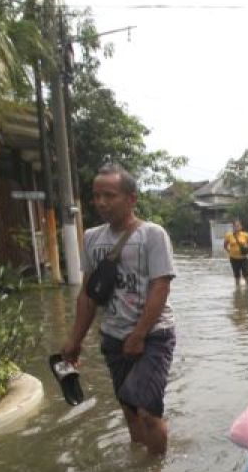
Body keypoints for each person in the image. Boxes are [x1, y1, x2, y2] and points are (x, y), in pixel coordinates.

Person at [61, 164, 176, 455]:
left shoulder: (153, 235)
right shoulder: (91, 238)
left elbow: (160, 287)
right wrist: (74, 340)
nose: (101, 203)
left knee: (148, 411)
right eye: (97, 196)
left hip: (153, 335)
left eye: (109, 195)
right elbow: (88, 295)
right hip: (113, 337)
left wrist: (138, 335)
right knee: (129, 410)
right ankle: (140, 463)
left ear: (131, 199)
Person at [224, 220, 248, 284]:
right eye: (235, 226)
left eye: (238, 226)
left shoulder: (246, 235)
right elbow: (225, 246)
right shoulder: (229, 235)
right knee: (237, 276)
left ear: (241, 226)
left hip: (243, 258)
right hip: (233, 259)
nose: (237, 227)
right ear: (233, 227)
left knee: (246, 275)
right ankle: (237, 290)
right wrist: (229, 252)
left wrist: (245, 248)